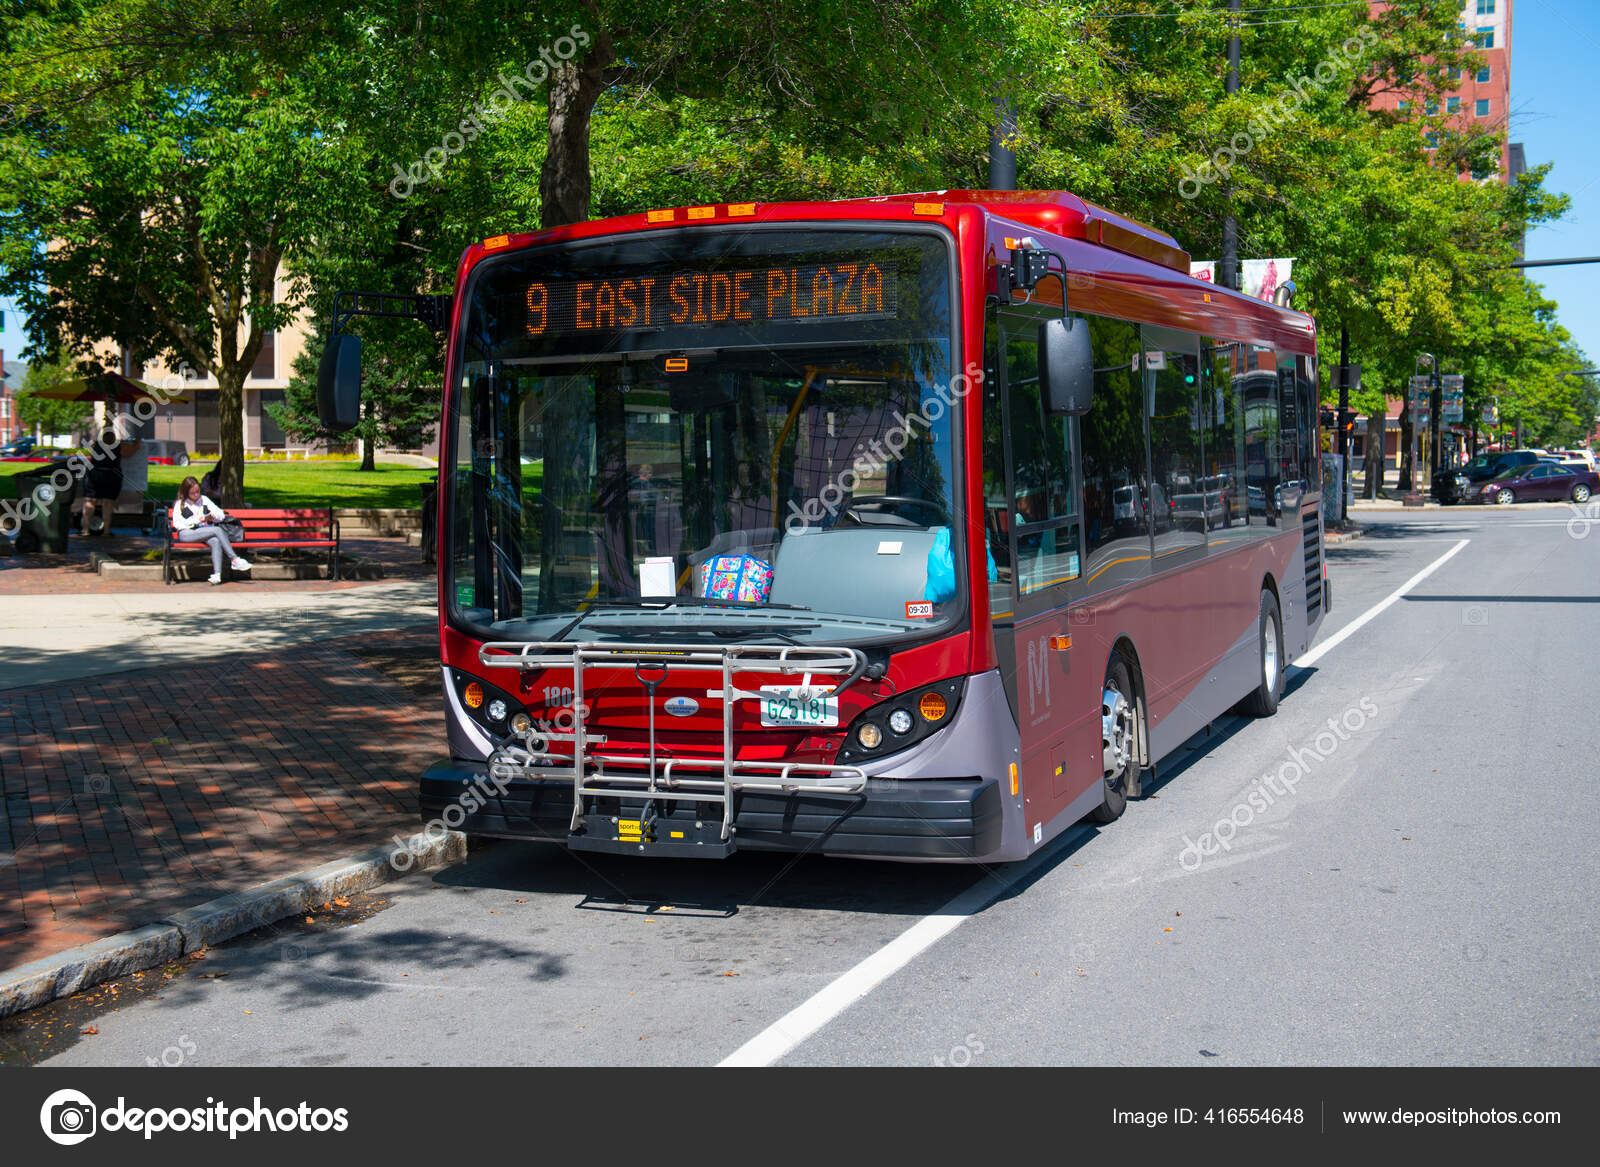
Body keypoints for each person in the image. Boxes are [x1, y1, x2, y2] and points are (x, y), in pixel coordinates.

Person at [171, 475, 250, 585]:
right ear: (186, 492)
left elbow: (221, 514)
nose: (196, 495)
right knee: (216, 530)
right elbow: (179, 524)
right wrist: (200, 520)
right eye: (192, 493)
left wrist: (213, 516)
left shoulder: (204, 500)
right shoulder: (181, 504)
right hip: (187, 533)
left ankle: (217, 575)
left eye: (197, 491)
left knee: (215, 540)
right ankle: (235, 559)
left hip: (203, 532)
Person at [82, 427, 139, 536]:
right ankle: (106, 531)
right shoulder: (119, 446)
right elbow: (130, 452)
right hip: (111, 476)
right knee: (107, 504)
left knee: (89, 501)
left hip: (94, 475)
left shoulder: (95, 445)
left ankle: (85, 530)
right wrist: (137, 443)